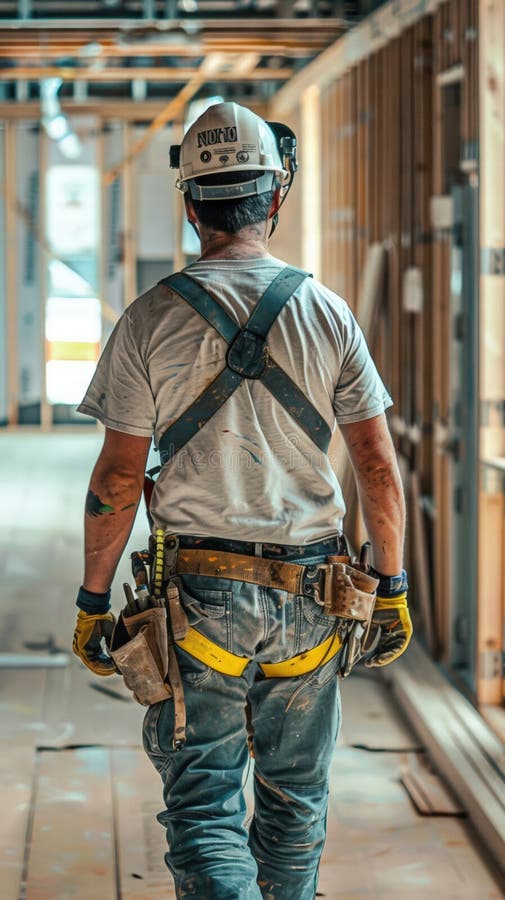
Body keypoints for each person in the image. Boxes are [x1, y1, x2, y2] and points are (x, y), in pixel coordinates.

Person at [72, 102, 411, 899]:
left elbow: (119, 480)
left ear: (190, 204)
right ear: (274, 199)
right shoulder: (327, 313)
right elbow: (376, 466)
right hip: (314, 595)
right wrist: (389, 588)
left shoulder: (149, 320)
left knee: (203, 811)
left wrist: (93, 600)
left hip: (198, 602)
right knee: (294, 805)